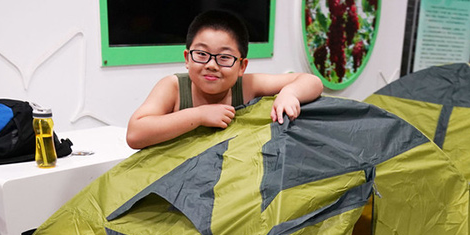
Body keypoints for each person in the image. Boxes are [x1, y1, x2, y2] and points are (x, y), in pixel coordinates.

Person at [126, 10, 323, 149]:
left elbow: (312, 81)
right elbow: (135, 135)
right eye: (201, 54)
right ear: (187, 58)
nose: (211, 64)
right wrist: (199, 115)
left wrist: (290, 93)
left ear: (242, 66)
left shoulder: (247, 85)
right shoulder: (173, 87)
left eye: (224, 57)